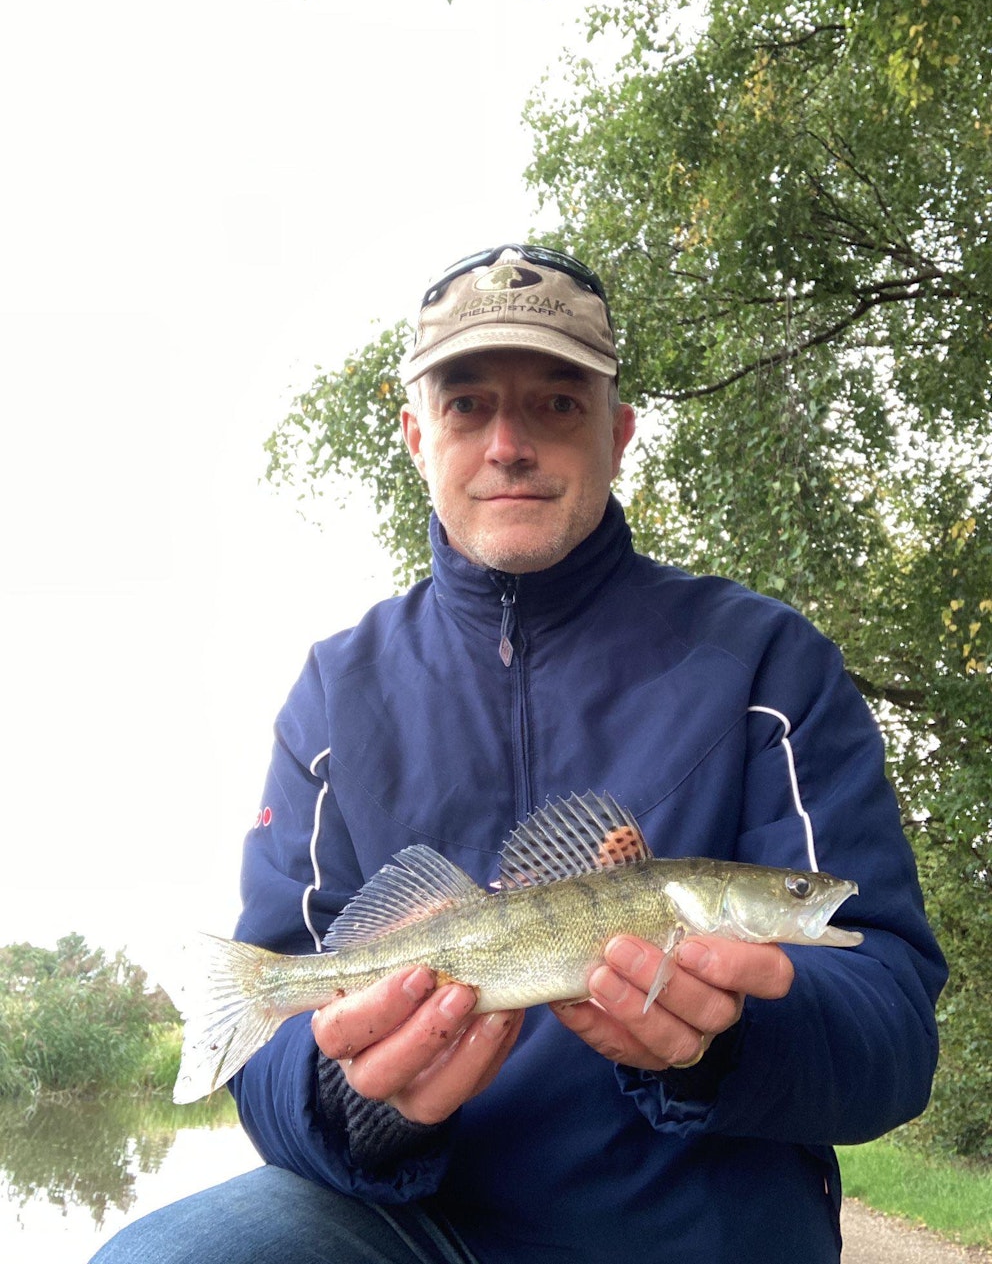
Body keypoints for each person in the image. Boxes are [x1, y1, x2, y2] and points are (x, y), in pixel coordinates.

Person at [92, 244, 946, 1264]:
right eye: (465, 406)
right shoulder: (335, 689)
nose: (507, 443)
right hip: (415, 1228)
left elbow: (889, 1019)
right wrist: (359, 1098)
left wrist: (725, 1044)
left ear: (616, 433)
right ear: (416, 435)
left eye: (554, 404)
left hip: (693, 1225)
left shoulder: (765, 660)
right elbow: (272, 1059)